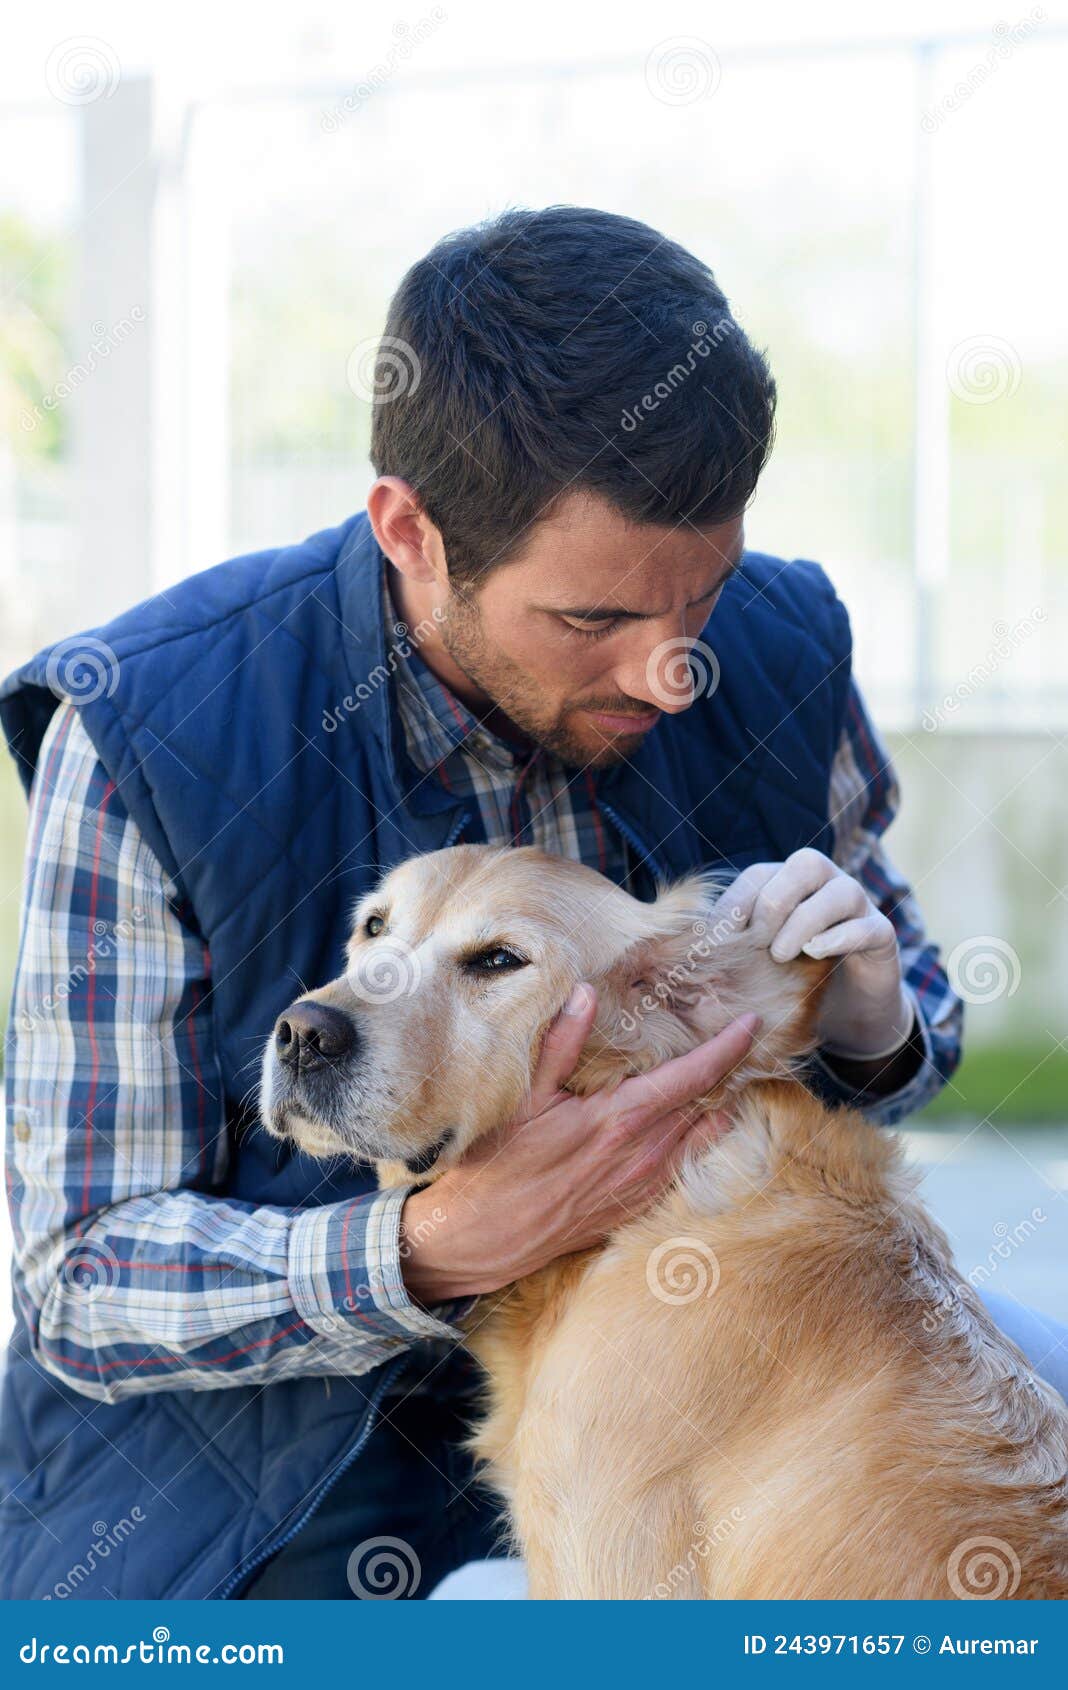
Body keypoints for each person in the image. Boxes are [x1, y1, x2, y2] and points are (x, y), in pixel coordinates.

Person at [1, 206, 1056, 1603]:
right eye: (593, 622)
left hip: (720, 1365)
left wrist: (877, 1024)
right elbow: (78, 1273)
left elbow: (906, 986)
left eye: (706, 597)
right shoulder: (150, 733)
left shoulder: (783, 645)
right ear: (412, 532)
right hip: (265, 1464)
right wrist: (426, 1246)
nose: (671, 671)